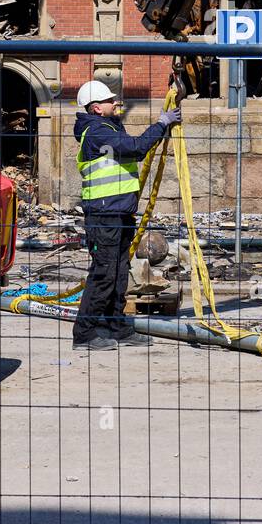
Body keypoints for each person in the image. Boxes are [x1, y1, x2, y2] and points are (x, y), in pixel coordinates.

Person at [73, 78, 181, 350]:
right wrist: (161, 123)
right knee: (104, 273)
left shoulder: (108, 127)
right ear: (97, 108)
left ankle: (116, 326)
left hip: (119, 212)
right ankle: (85, 333)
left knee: (120, 273)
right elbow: (135, 147)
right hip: (104, 214)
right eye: (110, 101)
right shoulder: (98, 132)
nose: (116, 103)